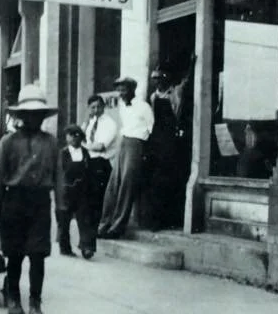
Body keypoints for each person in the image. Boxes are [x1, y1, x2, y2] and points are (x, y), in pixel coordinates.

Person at [0, 84, 60, 314]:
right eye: (29, 115)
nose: (33, 119)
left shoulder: (51, 142)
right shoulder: (8, 142)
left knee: (38, 255)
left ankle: (35, 303)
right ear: (20, 116)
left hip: (40, 202)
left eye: (38, 115)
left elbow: (59, 176)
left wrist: (61, 207)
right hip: (14, 201)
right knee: (15, 254)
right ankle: (14, 298)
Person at [97, 77, 154, 239]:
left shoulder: (143, 107)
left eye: (124, 89)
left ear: (132, 89)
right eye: (119, 90)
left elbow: (151, 128)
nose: (121, 93)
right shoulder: (122, 106)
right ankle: (104, 225)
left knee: (127, 184)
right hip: (123, 142)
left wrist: (142, 150)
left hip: (136, 144)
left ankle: (117, 227)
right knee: (113, 185)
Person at [142, 58, 195, 230]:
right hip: (156, 141)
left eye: (160, 78)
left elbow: (186, 82)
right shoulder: (152, 97)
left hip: (171, 141)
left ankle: (168, 219)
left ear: (166, 79)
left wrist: (192, 64)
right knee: (154, 181)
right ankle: (154, 220)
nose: (157, 82)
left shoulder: (175, 93)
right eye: (155, 79)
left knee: (169, 180)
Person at [82, 94, 118, 258]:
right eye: (92, 107)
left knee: (94, 205)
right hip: (88, 164)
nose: (95, 110)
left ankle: (88, 245)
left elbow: (100, 147)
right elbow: (81, 138)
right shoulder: (89, 123)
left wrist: (83, 145)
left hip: (101, 166)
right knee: (84, 205)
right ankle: (85, 242)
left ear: (103, 107)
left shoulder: (109, 124)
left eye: (98, 107)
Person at [57, 125, 94, 259]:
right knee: (64, 220)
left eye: (77, 135)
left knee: (84, 218)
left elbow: (89, 171)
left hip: (82, 190)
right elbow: (60, 172)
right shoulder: (63, 153)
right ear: (66, 137)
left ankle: (86, 247)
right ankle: (65, 247)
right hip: (66, 190)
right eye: (71, 135)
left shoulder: (85, 153)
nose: (74, 138)